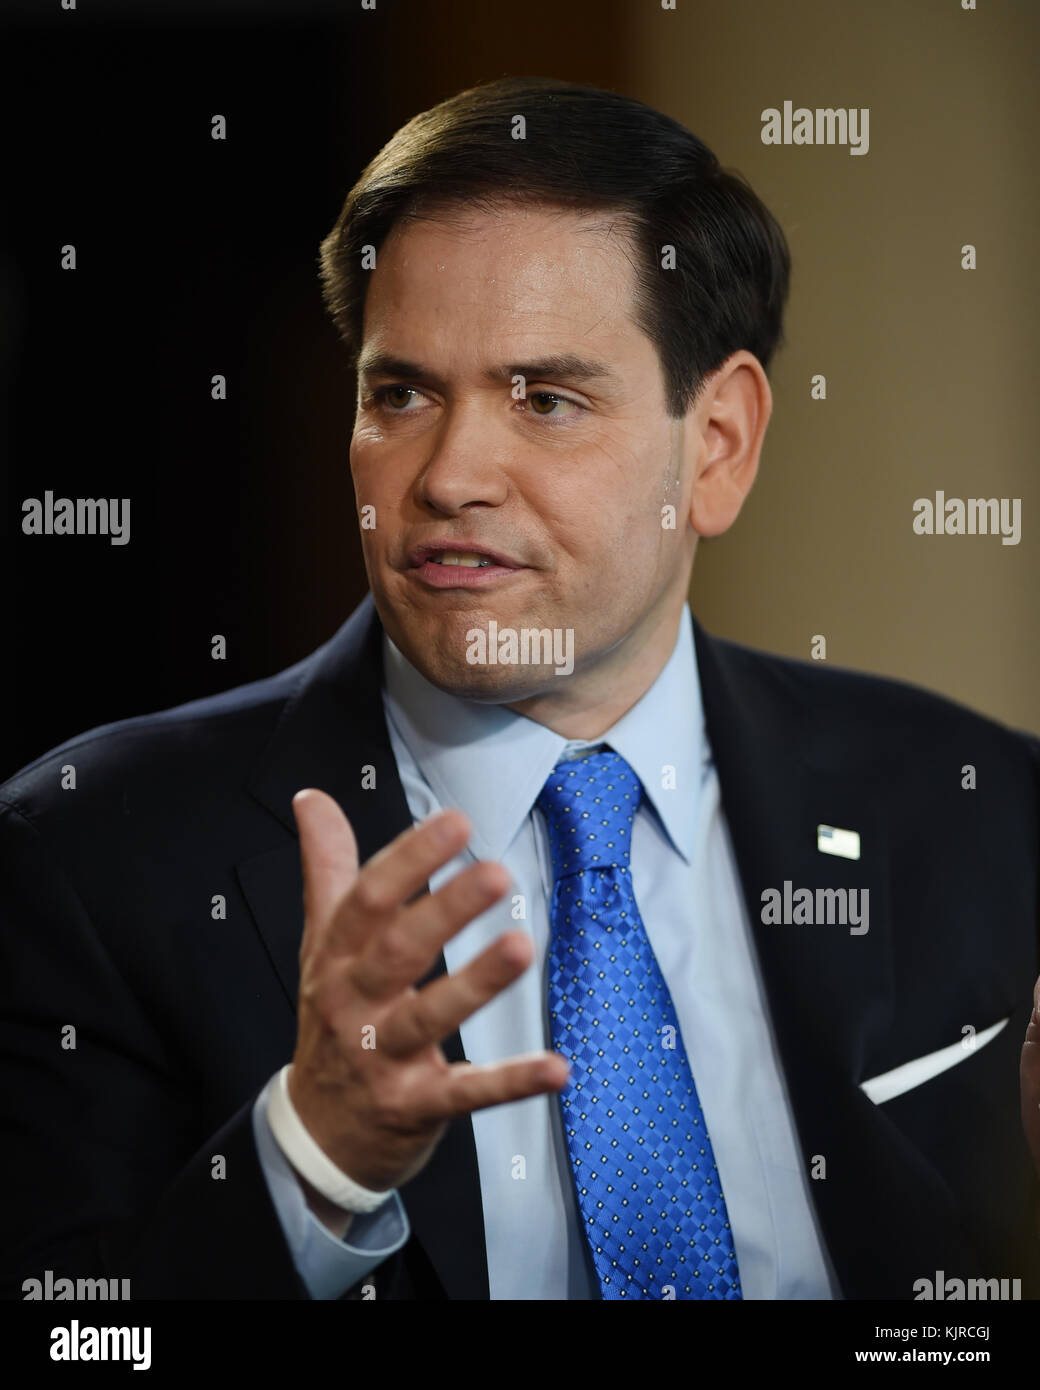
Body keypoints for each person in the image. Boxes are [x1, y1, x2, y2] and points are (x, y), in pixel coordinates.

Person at [2, 76, 1038, 1303]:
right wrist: (310, 1164)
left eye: (544, 399)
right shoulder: (84, 853)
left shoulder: (981, 803)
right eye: (399, 394)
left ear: (715, 445)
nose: (446, 476)